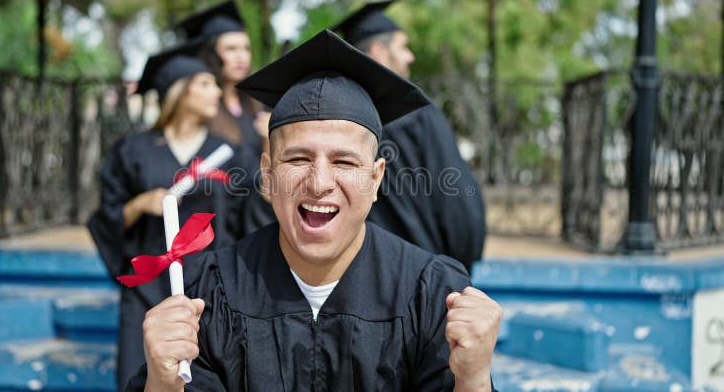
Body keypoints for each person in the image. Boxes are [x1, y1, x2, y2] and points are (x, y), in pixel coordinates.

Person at [125, 30, 501, 391]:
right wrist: (162, 384)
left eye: (344, 163)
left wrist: (473, 381)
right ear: (268, 175)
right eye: (299, 158)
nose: (320, 182)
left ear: (375, 179)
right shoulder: (208, 294)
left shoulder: (432, 296)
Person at [87, 39, 257, 390]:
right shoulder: (133, 151)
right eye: (206, 83)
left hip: (211, 294)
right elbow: (107, 217)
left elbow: (248, 222)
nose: (217, 92)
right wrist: (138, 205)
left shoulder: (230, 154)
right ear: (179, 92)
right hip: (147, 291)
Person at [332, 0, 486, 273]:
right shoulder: (416, 114)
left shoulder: (336, 116)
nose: (410, 56)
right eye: (403, 47)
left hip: (359, 276)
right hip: (422, 273)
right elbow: (459, 208)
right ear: (379, 51)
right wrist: (461, 263)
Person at [175, 0, 268, 154]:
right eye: (231, 49)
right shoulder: (203, 107)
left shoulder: (257, 103)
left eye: (246, 48)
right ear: (212, 55)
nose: (241, 56)